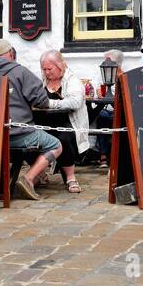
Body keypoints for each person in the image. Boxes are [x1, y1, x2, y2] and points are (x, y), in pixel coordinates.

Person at [0, 40, 59, 200]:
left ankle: (37, 177)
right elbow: (42, 101)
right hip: (18, 135)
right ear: (11, 54)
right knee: (55, 145)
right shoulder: (21, 72)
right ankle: (28, 179)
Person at [38, 50, 88, 192]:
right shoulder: (42, 80)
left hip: (68, 123)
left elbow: (75, 102)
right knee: (28, 136)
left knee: (63, 139)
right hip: (44, 123)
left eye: (49, 69)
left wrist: (50, 103)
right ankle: (39, 173)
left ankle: (71, 177)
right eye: (44, 69)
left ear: (60, 66)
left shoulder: (72, 80)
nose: (46, 72)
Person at [94, 49, 124, 166]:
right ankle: (103, 156)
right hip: (107, 111)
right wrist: (99, 93)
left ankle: (117, 156)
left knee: (114, 119)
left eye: (107, 60)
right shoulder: (104, 75)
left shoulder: (124, 77)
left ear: (116, 63)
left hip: (120, 112)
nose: (104, 63)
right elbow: (98, 91)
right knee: (102, 116)